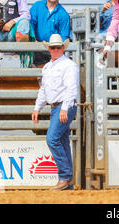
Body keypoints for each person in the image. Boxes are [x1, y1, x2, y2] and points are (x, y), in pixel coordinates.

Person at [32, 33, 78, 191]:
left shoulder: (69, 65)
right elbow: (44, 90)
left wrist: (65, 108)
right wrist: (37, 107)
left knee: (52, 139)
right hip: (57, 107)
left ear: (63, 48)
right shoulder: (47, 67)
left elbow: (71, 89)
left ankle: (64, 177)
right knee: (62, 141)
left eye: (58, 47)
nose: (56, 49)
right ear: (49, 49)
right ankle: (68, 181)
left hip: (64, 106)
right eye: (53, 47)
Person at [30, 0, 72, 66]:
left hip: (54, 50)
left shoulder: (64, 15)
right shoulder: (37, 6)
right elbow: (30, 24)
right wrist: (34, 40)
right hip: (36, 47)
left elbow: (64, 37)